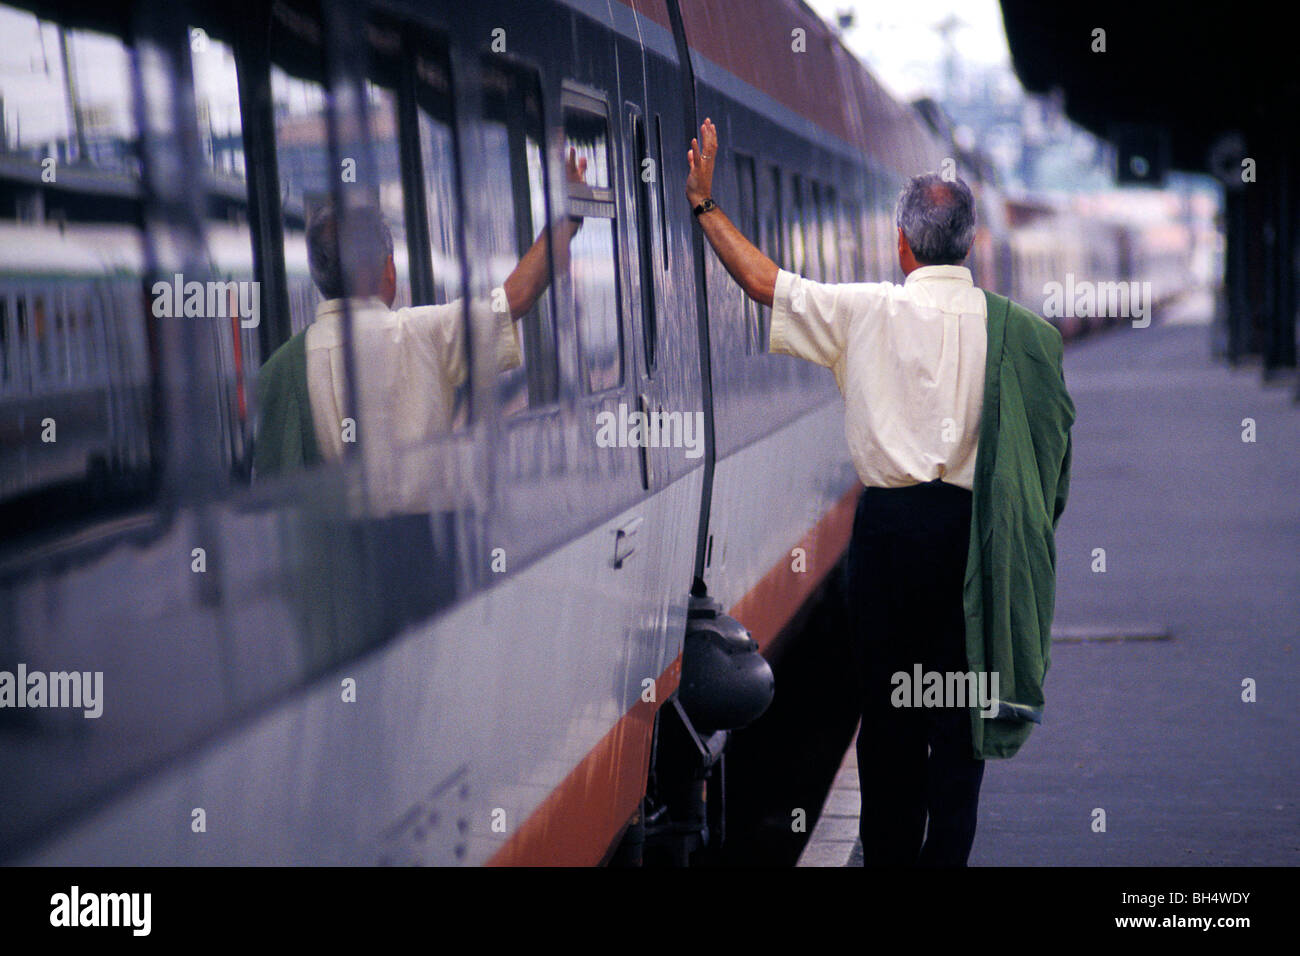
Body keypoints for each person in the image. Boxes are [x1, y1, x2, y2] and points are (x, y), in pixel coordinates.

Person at [684, 118, 1075, 866]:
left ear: (903, 244)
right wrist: (1029, 534)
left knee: (892, 716)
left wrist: (706, 207)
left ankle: (889, 857)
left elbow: (763, 281)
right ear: (970, 243)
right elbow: (1052, 458)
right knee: (961, 721)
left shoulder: (865, 312)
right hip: (976, 537)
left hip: (890, 537)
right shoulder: (1025, 335)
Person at [253, 148, 589, 491]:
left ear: (320, 278)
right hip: (421, 537)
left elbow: (270, 497)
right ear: (385, 269)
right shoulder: (422, 333)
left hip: (333, 544)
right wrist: (567, 218)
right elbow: (517, 298)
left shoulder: (279, 371)